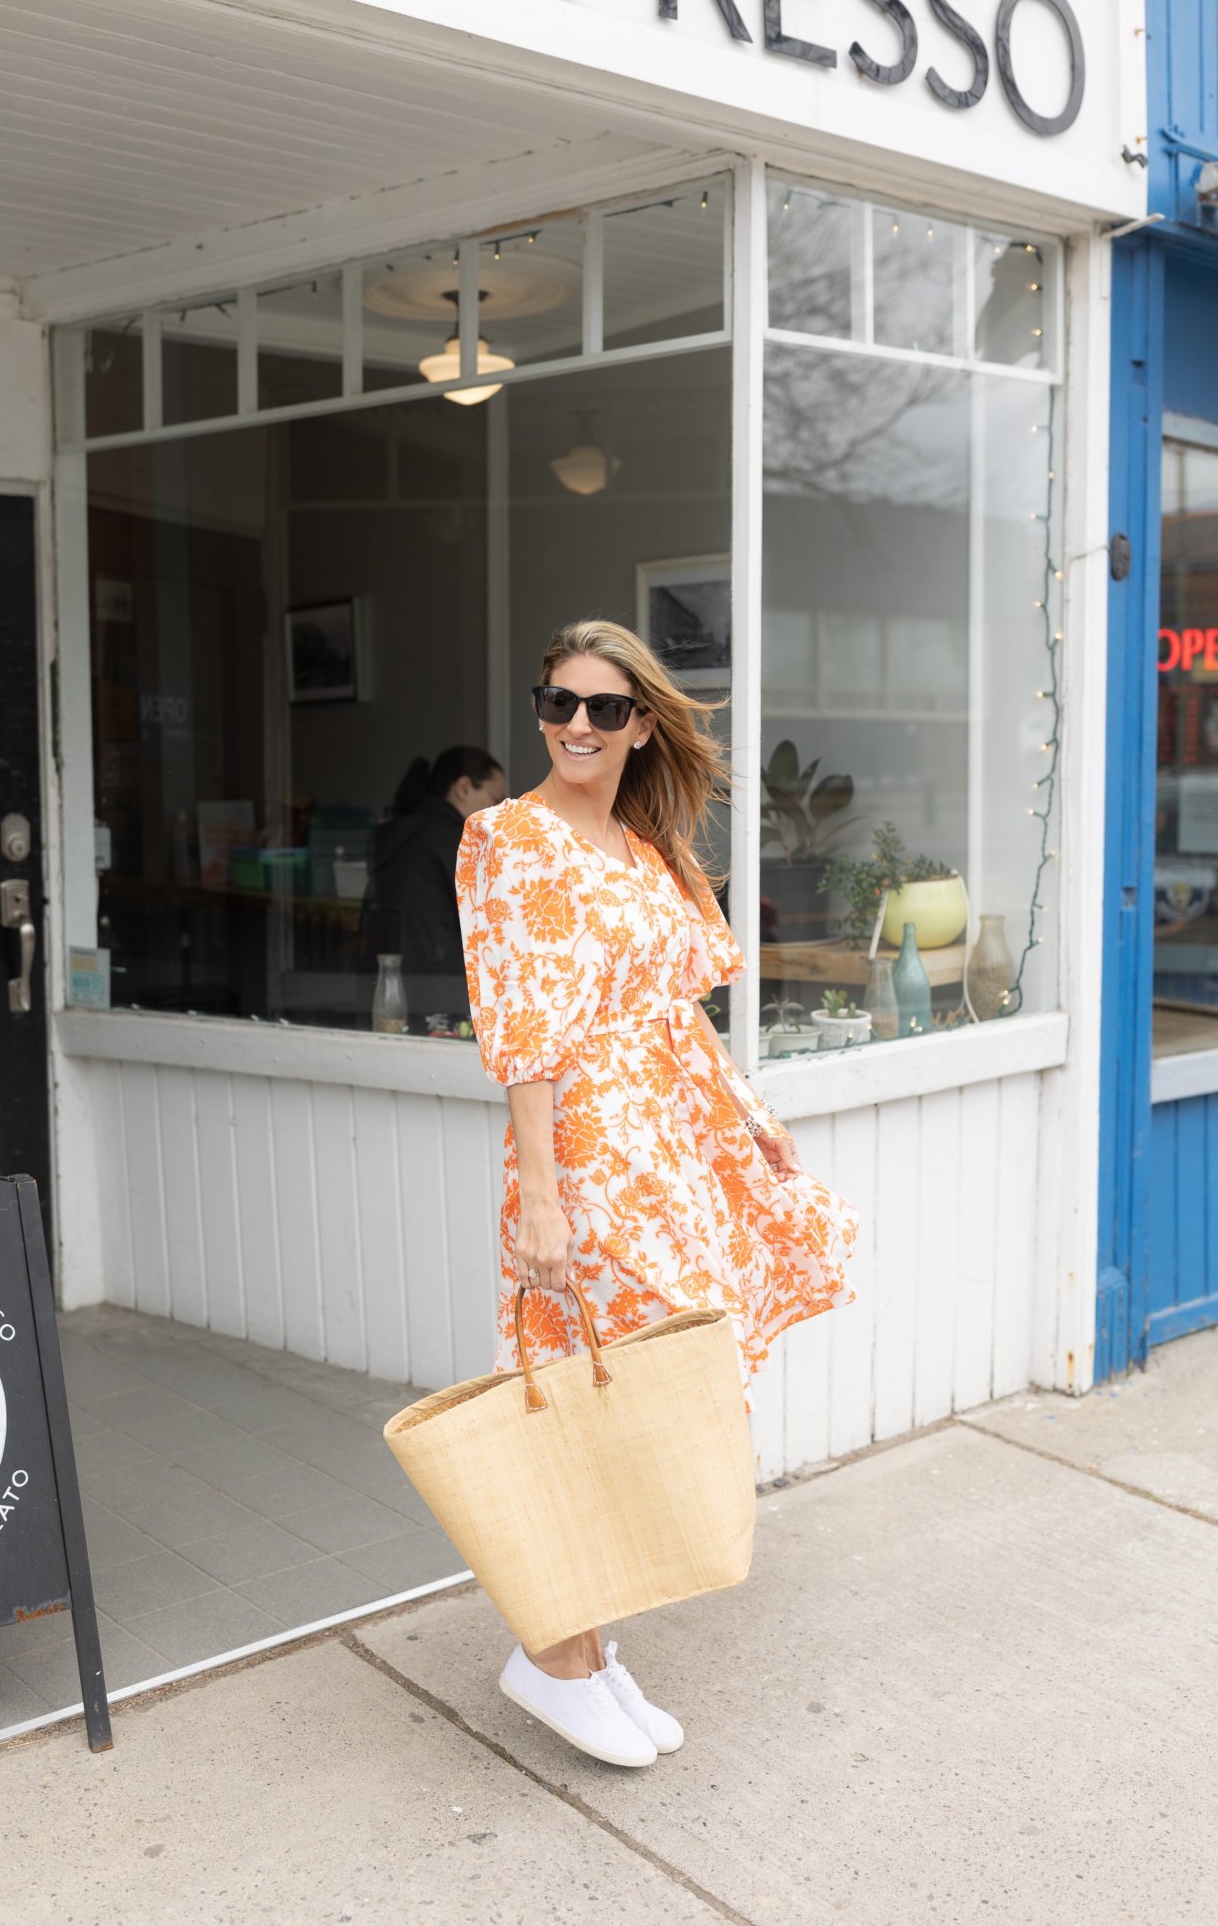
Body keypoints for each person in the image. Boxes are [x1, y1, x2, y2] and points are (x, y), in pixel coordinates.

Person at [456, 618, 857, 1768]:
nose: (575, 724)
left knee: (646, 1384)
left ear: (642, 726)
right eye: (557, 700)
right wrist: (540, 1193)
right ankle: (555, 1651)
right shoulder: (507, 838)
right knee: (598, 1388)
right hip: (586, 1149)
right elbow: (522, 1028)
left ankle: (581, 1643)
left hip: (675, 1142)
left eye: (602, 707)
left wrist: (751, 1125)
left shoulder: (648, 845)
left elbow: (678, 1014)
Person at [367, 746, 504, 1025]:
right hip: (438, 989)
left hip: (388, 982)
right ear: (464, 788)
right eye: (495, 799)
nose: (501, 812)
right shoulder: (455, 840)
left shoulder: (399, 831)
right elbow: (493, 920)